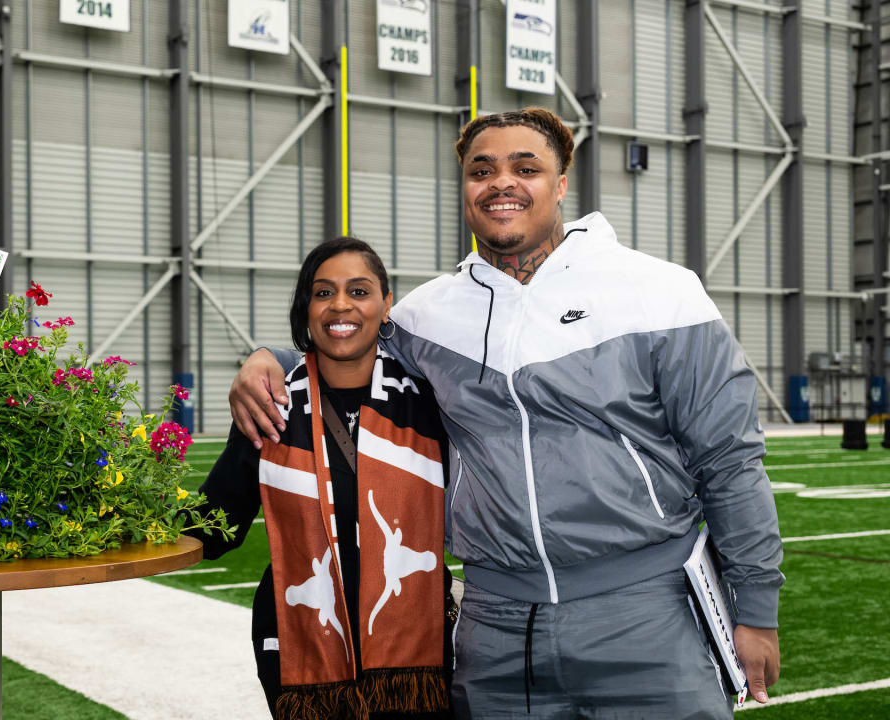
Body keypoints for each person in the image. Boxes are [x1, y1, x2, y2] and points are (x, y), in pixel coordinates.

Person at [227, 108, 783, 718]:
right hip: (495, 630)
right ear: (464, 188)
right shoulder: (428, 315)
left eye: (526, 167)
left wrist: (754, 609)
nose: (501, 183)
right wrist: (268, 358)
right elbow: (345, 342)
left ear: (562, 182)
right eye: (480, 170)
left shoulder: (657, 291)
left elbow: (729, 460)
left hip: (645, 612)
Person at [189, 237, 454, 720]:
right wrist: (111, 518)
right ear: (306, 307)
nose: (341, 306)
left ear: (386, 303)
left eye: (359, 290)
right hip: (300, 642)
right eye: (323, 292)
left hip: (418, 657)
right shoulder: (271, 403)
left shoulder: (431, 402)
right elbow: (214, 522)